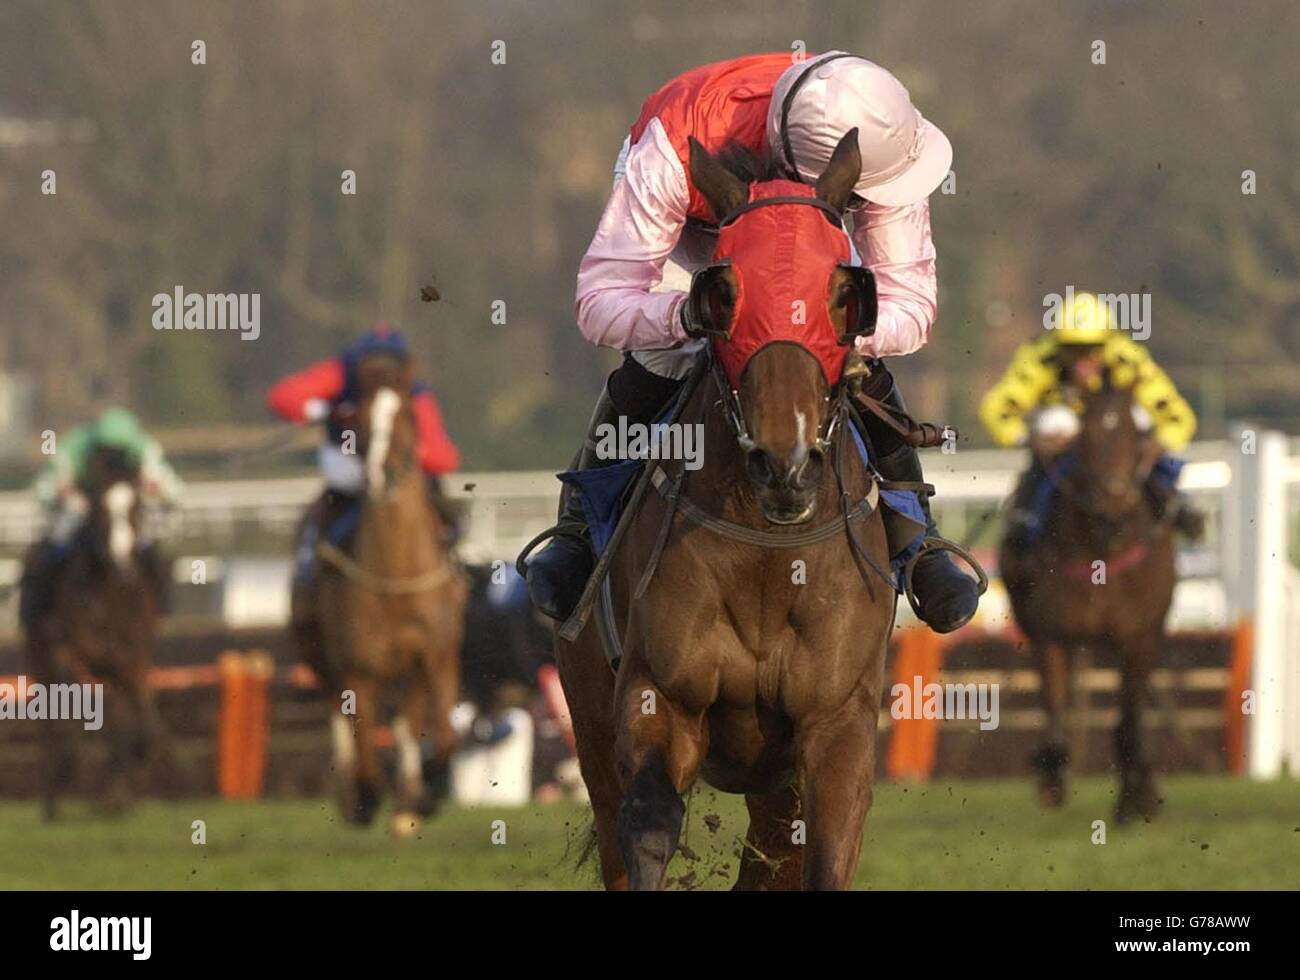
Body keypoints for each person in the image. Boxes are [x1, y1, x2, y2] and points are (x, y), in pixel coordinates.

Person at [522, 50, 980, 633]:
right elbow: (601, 304)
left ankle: (918, 538)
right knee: (666, 351)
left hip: (813, 229)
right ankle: (581, 529)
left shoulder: (878, 138)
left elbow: (911, 307)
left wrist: (835, 331)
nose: (874, 205)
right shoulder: (670, 150)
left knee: (859, 349)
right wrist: (691, 313)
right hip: (699, 227)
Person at [979, 291, 1204, 546]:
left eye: (1091, 349)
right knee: (1057, 421)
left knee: (1138, 421)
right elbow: (996, 410)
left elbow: (1178, 417)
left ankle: (1176, 502)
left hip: (1117, 435)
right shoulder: (1042, 356)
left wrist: (1157, 445)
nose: (1083, 359)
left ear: (1107, 341)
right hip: (1067, 436)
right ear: (1059, 344)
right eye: (1072, 349)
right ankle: (1027, 517)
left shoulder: (1127, 358)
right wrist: (1029, 438)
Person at [266, 324, 462, 589]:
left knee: (436, 496)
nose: (382, 372)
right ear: (359, 363)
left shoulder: (416, 394)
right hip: (349, 457)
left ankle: (454, 559)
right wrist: (319, 408)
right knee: (345, 487)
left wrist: (410, 452)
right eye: (374, 365)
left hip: (396, 465)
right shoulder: (340, 373)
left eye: (390, 365)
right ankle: (313, 561)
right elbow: (283, 396)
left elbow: (445, 458)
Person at [21, 407, 179, 626]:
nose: (112, 456)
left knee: (156, 549)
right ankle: (38, 610)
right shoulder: (72, 447)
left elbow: (173, 490)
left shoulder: (146, 449)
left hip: (126, 508)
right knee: (53, 545)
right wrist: (60, 490)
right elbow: (43, 489)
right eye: (106, 450)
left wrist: (157, 487)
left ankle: (163, 608)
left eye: (118, 451)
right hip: (82, 507)